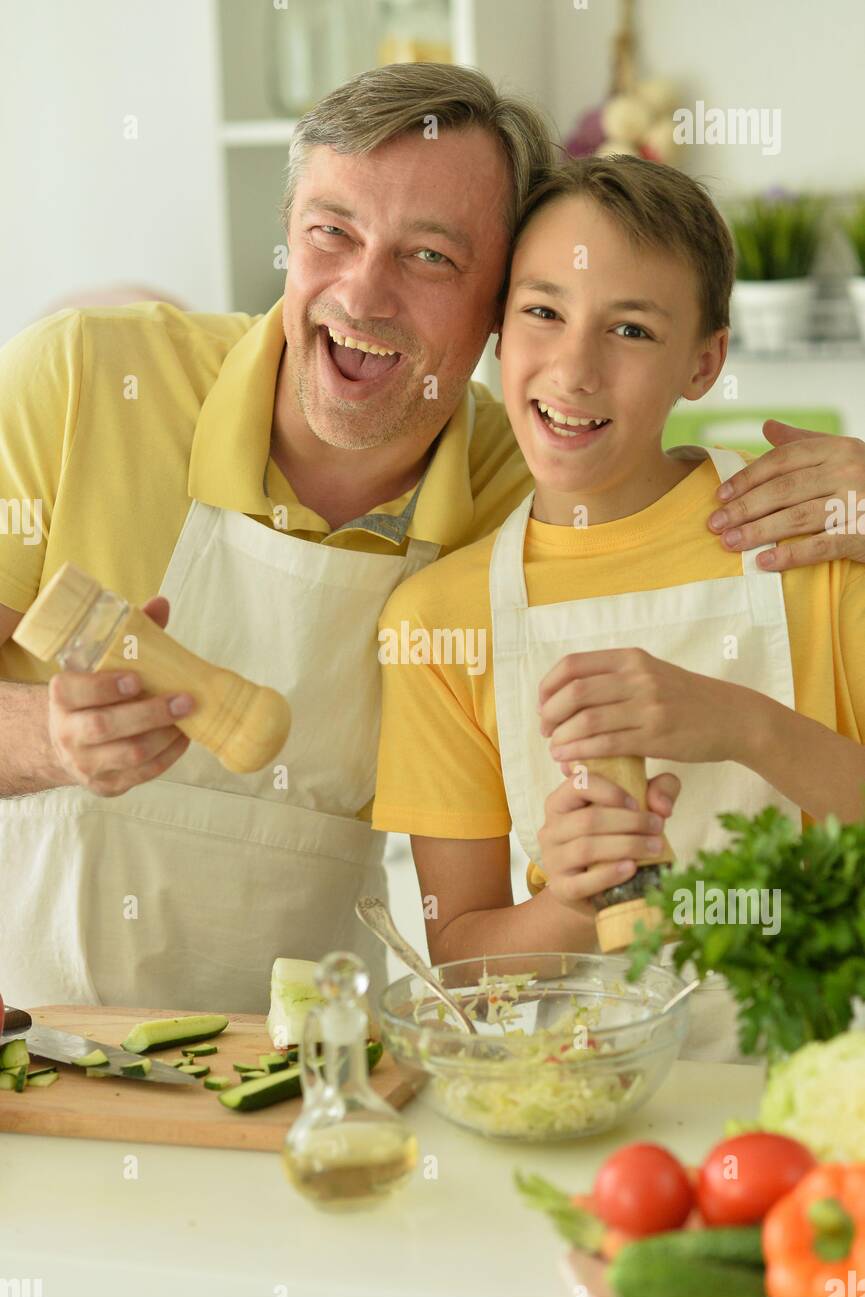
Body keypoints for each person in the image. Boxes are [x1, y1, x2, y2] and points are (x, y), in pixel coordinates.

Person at [0, 67, 863, 1017]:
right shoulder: (82, 376)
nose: (364, 295)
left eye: (430, 257)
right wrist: (49, 738)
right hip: (27, 1035)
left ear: (489, 306)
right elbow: (473, 954)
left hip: (302, 1060)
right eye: (333, 231)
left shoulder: (537, 476)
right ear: (287, 233)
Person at [371, 154, 865, 1062]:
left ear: (703, 362)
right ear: (496, 329)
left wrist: (744, 726)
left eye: (631, 330)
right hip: (581, 1106)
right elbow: (461, 963)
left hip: (820, 1095)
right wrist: (567, 900)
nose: (574, 369)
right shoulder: (436, 618)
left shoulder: (814, 550)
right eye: (543, 312)